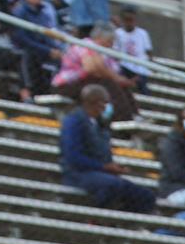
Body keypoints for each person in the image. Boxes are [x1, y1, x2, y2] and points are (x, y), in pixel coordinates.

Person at [58, 83, 152, 212]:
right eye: (105, 102)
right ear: (95, 102)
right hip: (78, 174)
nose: (108, 106)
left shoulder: (100, 124)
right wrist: (103, 167)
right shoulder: (74, 121)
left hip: (101, 174)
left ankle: (125, 224)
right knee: (112, 186)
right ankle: (96, 220)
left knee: (145, 195)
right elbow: (73, 156)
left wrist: (112, 167)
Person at [52, 21, 135, 118]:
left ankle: (133, 114)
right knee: (109, 82)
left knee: (116, 84)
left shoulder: (100, 51)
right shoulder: (86, 44)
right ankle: (125, 117)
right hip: (65, 85)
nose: (111, 44)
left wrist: (117, 78)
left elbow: (101, 69)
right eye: (110, 40)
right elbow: (91, 68)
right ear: (100, 37)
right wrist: (115, 78)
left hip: (81, 83)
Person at [10, 0, 62, 101]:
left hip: (42, 51)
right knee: (28, 56)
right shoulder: (19, 11)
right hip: (26, 51)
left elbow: (47, 35)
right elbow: (22, 39)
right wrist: (48, 51)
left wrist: (55, 49)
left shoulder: (43, 12)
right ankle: (27, 94)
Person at [113, 4, 151, 92]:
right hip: (123, 67)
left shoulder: (143, 34)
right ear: (122, 20)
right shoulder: (118, 33)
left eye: (131, 20)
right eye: (126, 20)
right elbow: (115, 53)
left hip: (139, 69)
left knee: (143, 87)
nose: (129, 23)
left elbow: (149, 52)